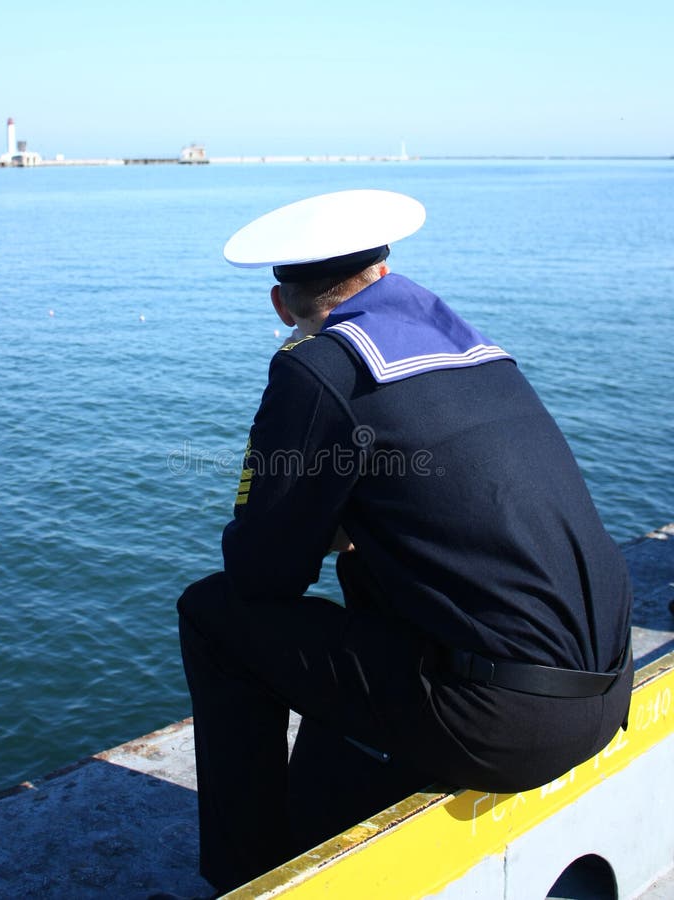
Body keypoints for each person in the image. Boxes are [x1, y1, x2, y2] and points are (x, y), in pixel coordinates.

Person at [177, 189, 633, 896]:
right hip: (606, 691)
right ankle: (332, 799)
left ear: (280, 305)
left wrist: (318, 516)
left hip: (505, 725)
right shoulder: (476, 349)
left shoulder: (319, 368)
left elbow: (262, 574)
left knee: (213, 616)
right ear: (385, 276)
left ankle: (247, 877)